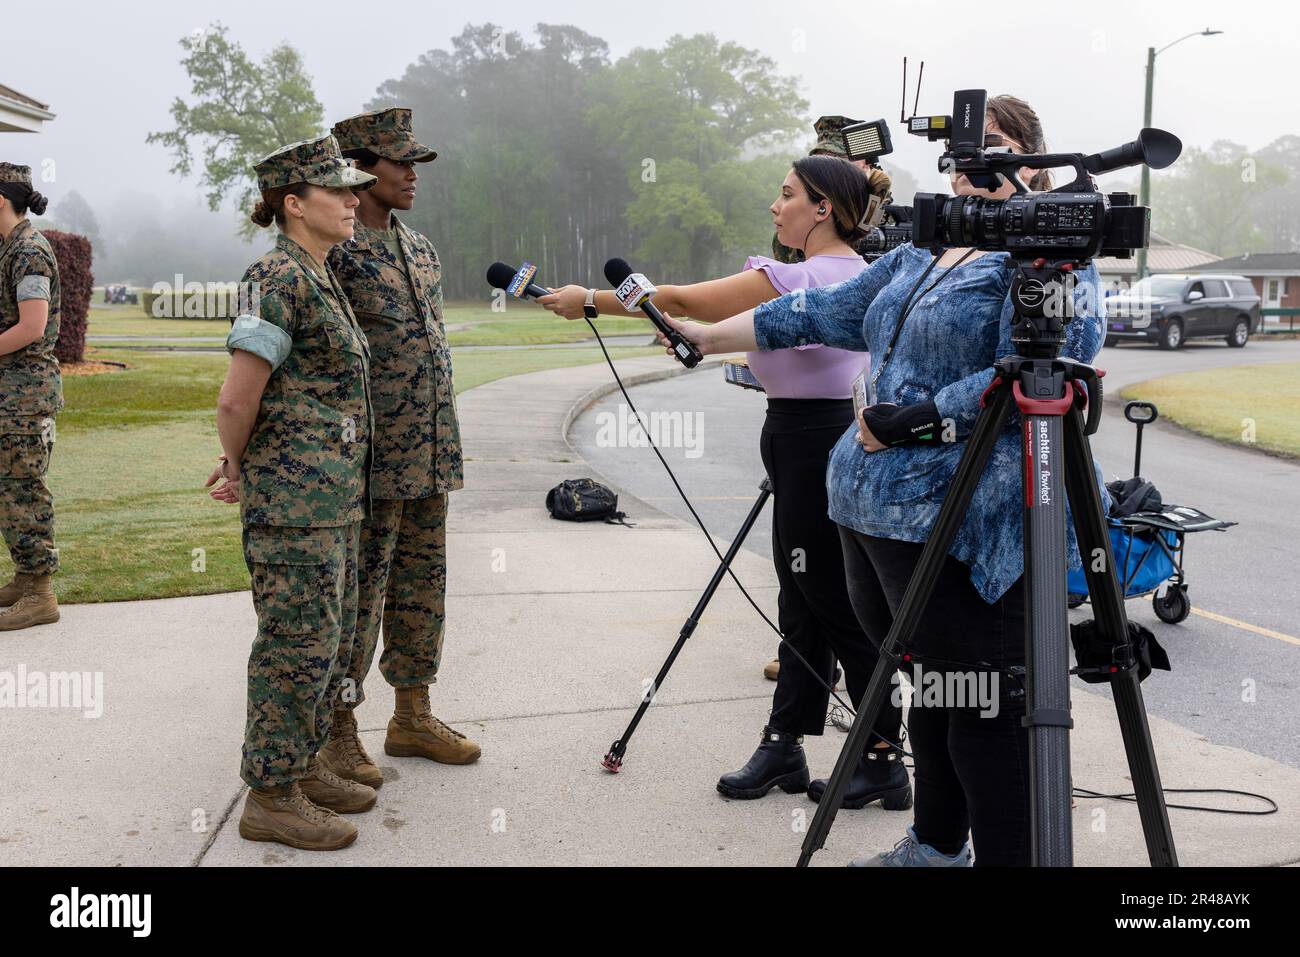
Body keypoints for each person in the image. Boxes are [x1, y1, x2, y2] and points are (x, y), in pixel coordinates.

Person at [658, 96, 1105, 866]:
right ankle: (935, 848)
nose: (976, 165)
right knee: (930, 692)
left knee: (985, 708)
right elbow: (811, 314)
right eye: (967, 151)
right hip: (875, 522)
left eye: (996, 148)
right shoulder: (916, 254)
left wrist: (915, 420)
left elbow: (1050, 375)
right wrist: (702, 334)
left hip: (973, 529)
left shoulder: (1048, 261)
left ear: (1036, 161)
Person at [539, 156, 910, 810]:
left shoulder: (794, 275)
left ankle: (883, 756)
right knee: (804, 600)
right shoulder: (855, 271)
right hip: (816, 434)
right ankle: (785, 742)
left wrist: (587, 301)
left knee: (828, 602)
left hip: (810, 441)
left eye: (787, 194)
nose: (776, 205)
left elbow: (679, 300)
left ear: (822, 208)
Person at [207, 135, 379, 851]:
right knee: (293, 644)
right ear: (292, 203)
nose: (352, 199)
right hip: (294, 504)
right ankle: (270, 793)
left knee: (326, 640)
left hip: (330, 501)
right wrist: (239, 465)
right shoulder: (275, 277)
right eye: (336, 189)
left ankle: (303, 766)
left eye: (352, 188)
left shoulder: (318, 272)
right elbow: (236, 399)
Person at [320, 107, 478, 789]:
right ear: (360, 168)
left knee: (421, 591)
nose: (412, 174)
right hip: (369, 461)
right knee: (357, 600)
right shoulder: (338, 250)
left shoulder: (418, 248)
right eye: (400, 162)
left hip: (429, 454)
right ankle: (336, 730)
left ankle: (412, 715)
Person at [0, 163, 60, 632]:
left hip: (24, 395)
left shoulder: (29, 251)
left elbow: (31, 327)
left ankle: (41, 593)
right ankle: (25, 577)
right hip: (11, 393)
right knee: (9, 489)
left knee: (22, 488)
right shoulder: (10, 248)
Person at [770, 115, 894, 266]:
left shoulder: (891, 226)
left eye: (840, 159)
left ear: (865, 166)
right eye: (821, 159)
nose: (829, 169)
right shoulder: (792, 231)